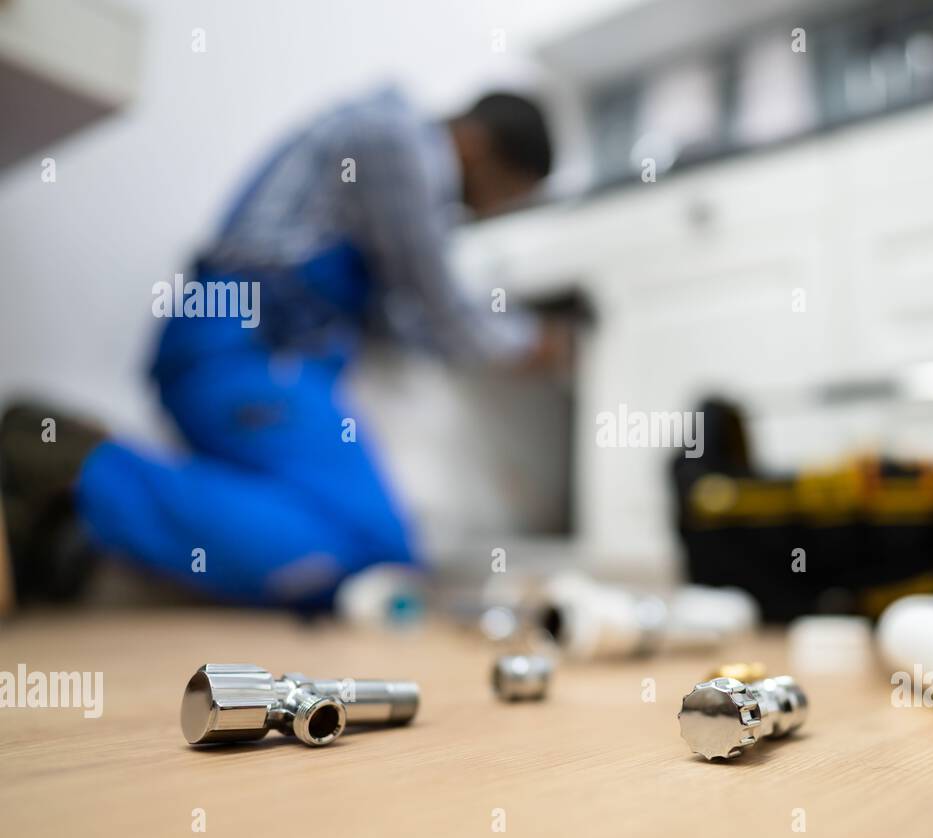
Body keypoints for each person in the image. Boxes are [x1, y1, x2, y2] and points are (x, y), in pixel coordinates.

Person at [0, 88, 565, 614]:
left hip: (278, 362)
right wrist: (531, 342)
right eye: (500, 196)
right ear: (475, 147)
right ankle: (72, 466)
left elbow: (405, 323)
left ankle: (85, 506)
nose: (480, 212)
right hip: (237, 347)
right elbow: (442, 310)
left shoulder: (382, 150)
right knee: (378, 550)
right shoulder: (399, 142)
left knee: (375, 550)